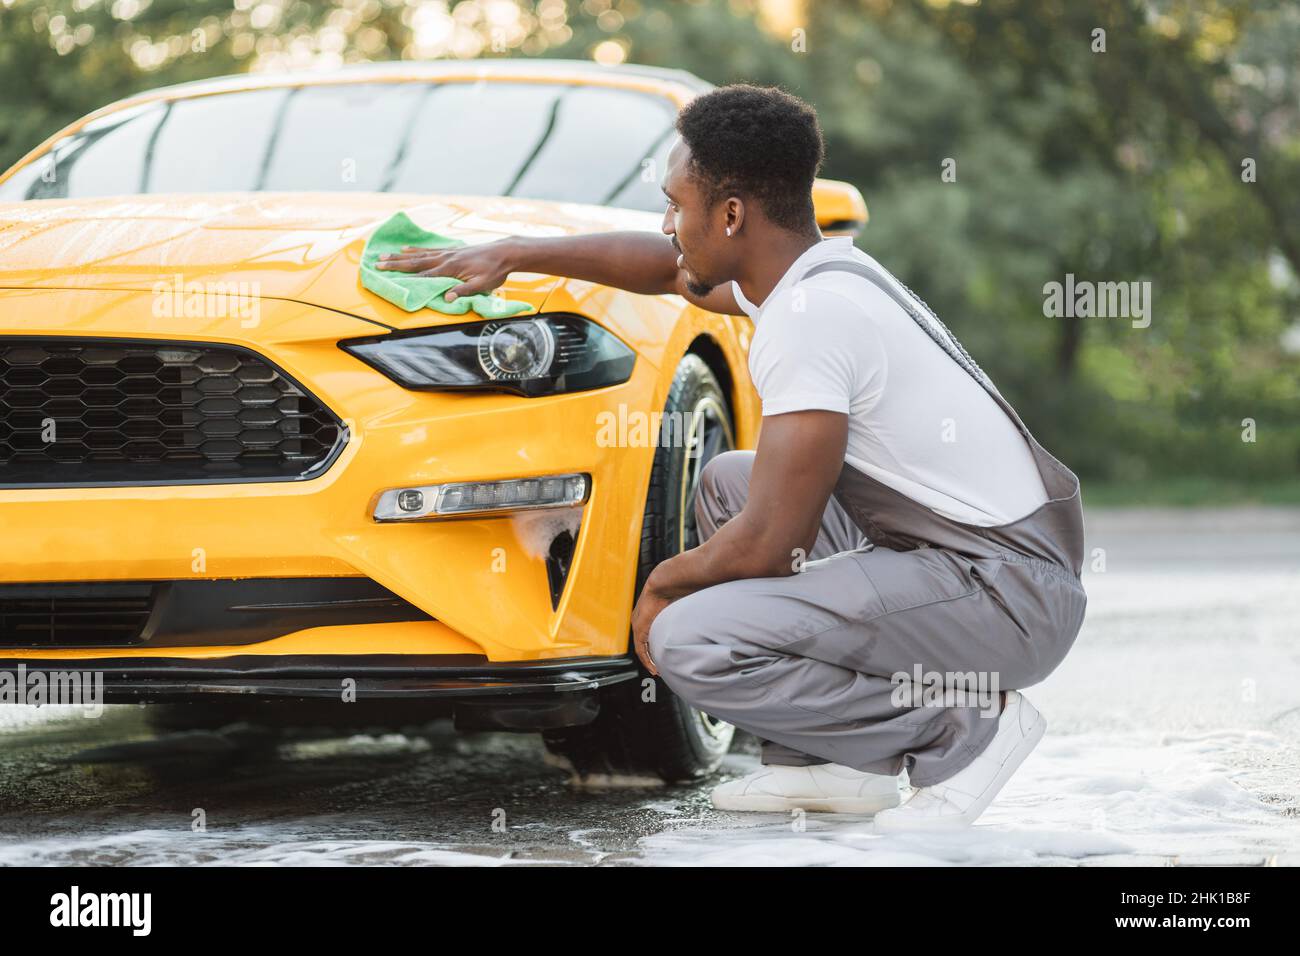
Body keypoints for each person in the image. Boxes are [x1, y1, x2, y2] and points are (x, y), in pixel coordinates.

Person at [377, 83, 1088, 830]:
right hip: (978, 568)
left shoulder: (812, 319)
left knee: (695, 635)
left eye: (676, 204)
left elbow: (772, 541)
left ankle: (964, 730)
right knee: (727, 480)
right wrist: (514, 254)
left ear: (731, 215)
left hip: (1005, 596)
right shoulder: (809, 275)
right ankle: (834, 767)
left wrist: (658, 587)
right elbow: (662, 269)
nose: (668, 223)